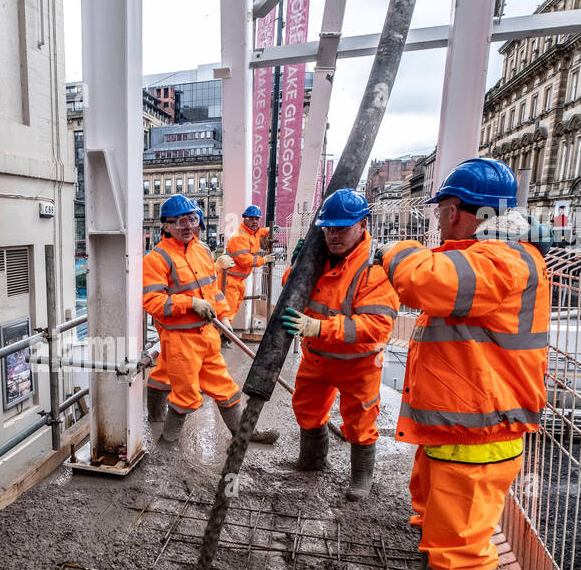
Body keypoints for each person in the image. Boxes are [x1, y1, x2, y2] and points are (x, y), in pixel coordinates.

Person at [374, 158, 550, 570]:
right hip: (460, 429)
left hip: (479, 432)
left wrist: (391, 248)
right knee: (437, 519)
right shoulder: (493, 255)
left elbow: (425, 284)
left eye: (443, 214)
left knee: (464, 539)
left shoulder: (502, 259)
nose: (439, 225)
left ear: (458, 212)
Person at [280, 188, 398, 501]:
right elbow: (295, 291)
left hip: (358, 364)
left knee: (360, 420)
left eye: (342, 228)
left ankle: (361, 479)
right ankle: (312, 461)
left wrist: (319, 327)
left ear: (363, 224)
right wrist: (298, 267)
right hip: (317, 358)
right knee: (307, 409)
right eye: (329, 228)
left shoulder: (375, 268)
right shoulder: (320, 256)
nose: (333, 235)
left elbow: (376, 325)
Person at [143, 194, 278, 444]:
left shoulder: (202, 250)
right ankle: (167, 443)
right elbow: (153, 302)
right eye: (180, 221)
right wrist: (190, 303)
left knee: (225, 387)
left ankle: (242, 433)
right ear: (166, 225)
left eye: (192, 219)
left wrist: (224, 316)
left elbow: (213, 289)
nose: (188, 226)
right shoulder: (157, 258)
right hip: (180, 341)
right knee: (185, 395)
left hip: (207, 335)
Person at [220, 204, 273, 323]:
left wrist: (269, 230)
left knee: (232, 308)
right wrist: (263, 260)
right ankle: (222, 334)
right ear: (245, 219)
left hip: (236, 280)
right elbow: (245, 260)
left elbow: (259, 231)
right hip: (229, 280)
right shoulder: (240, 237)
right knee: (227, 311)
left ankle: (223, 334)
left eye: (257, 218)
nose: (255, 221)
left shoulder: (251, 233)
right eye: (251, 218)